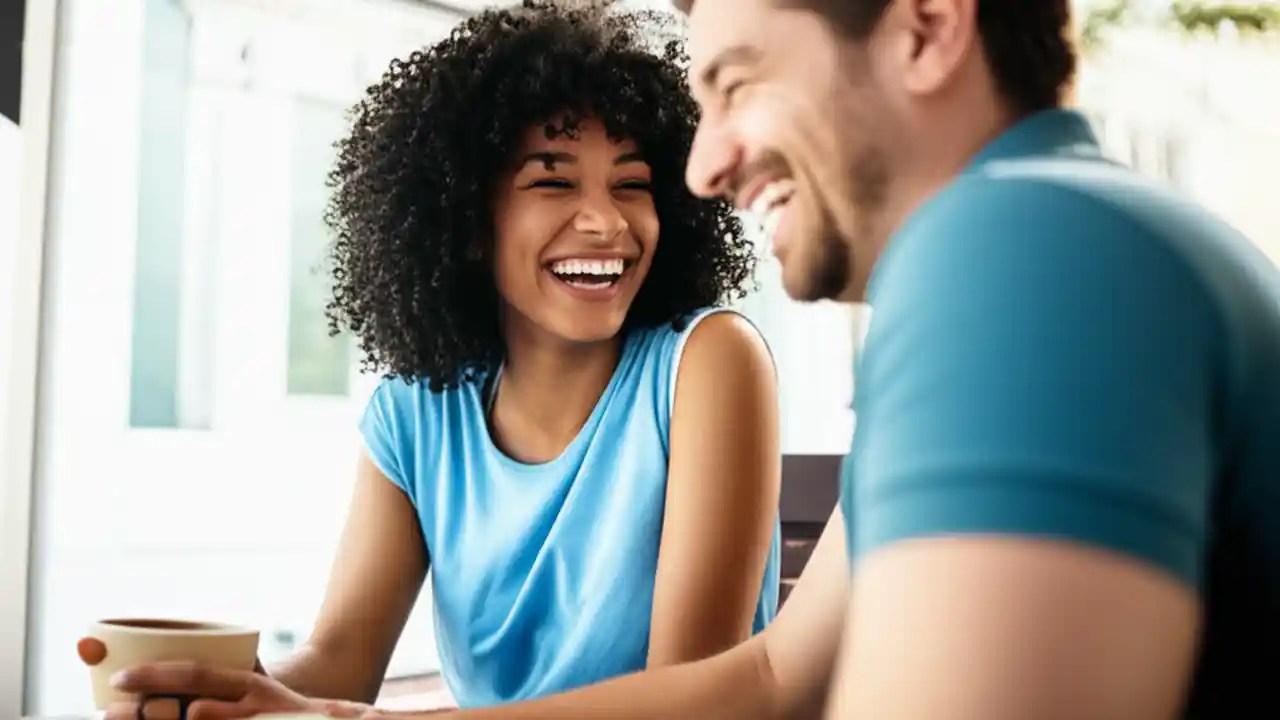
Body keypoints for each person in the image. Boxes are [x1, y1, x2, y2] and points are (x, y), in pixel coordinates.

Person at [110, 0, 1280, 717]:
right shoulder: (1056, 236)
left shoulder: (1024, 251)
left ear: (926, 27)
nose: (704, 166)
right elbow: (773, 684)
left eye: (735, 80)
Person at [102, 1, 785, 716]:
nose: (606, 221)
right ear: (467, 223)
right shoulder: (413, 411)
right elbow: (340, 663)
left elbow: (690, 697)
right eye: (553, 182)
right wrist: (218, 695)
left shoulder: (708, 364)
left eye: (632, 184)